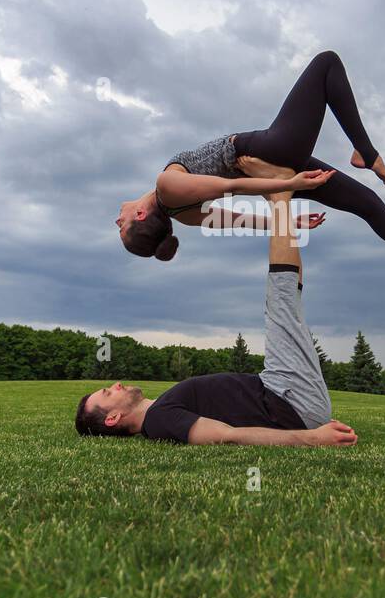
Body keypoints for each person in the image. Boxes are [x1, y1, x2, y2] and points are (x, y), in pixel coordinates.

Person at [115, 49, 385, 284]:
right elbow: (231, 189)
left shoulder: (183, 216)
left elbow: (239, 221)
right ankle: (365, 150)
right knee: (326, 63)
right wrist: (287, 184)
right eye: (124, 226)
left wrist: (286, 219)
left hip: (274, 164)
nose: (118, 220)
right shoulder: (167, 187)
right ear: (143, 214)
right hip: (269, 154)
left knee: (367, 205)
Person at [78, 191, 358, 446]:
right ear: (113, 418)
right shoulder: (160, 420)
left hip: (286, 396)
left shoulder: (160, 409)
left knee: (287, 301)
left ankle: (281, 206)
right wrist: (312, 438)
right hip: (285, 398)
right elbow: (227, 436)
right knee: (281, 302)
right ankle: (279, 196)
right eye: (107, 393)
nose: (115, 384)